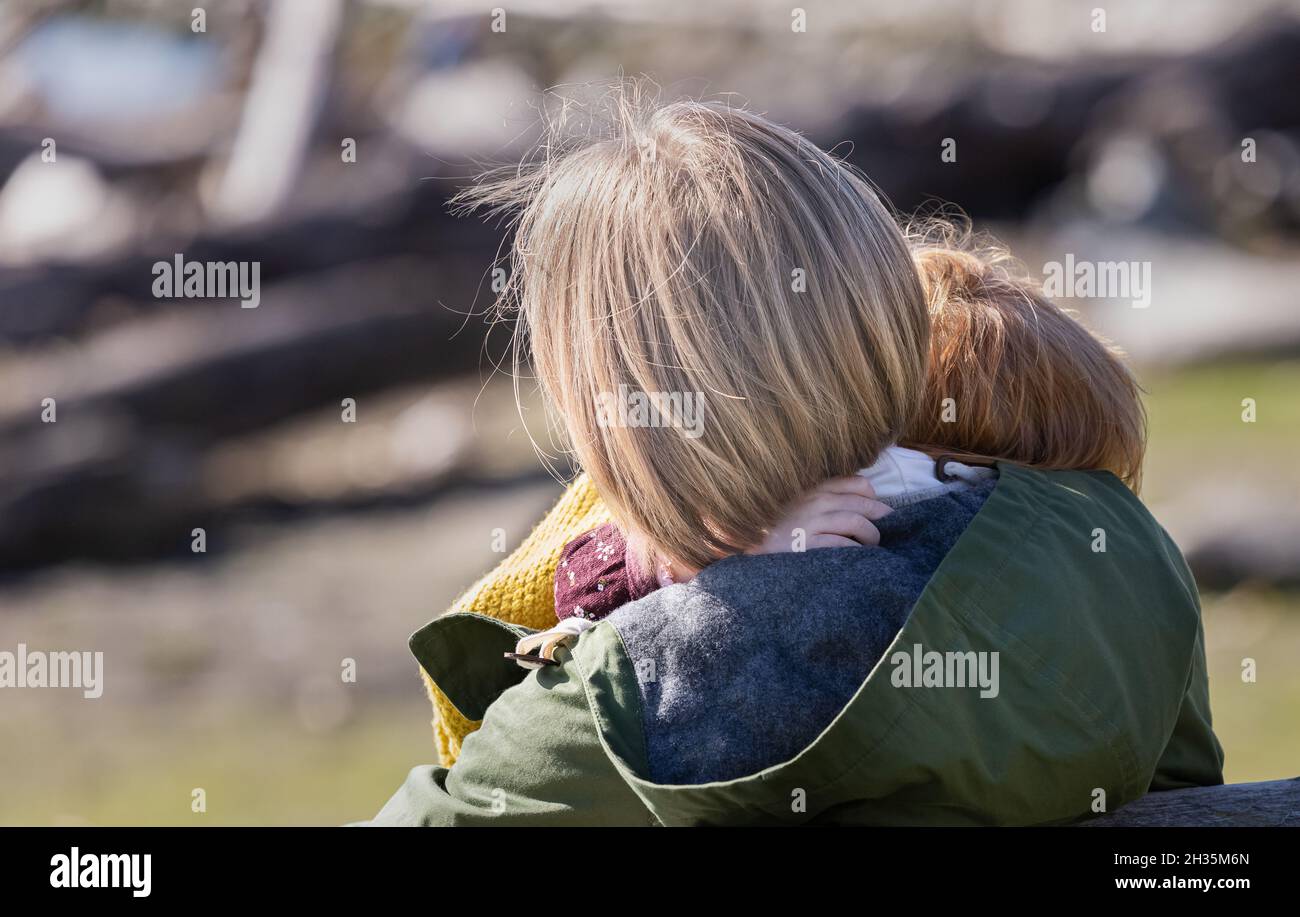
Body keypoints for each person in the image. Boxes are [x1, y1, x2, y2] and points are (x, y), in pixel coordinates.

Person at [364, 86, 1221, 826]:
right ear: (881, 309)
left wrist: (697, 605)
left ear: (630, 426)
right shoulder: (1113, 544)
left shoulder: (629, 694)